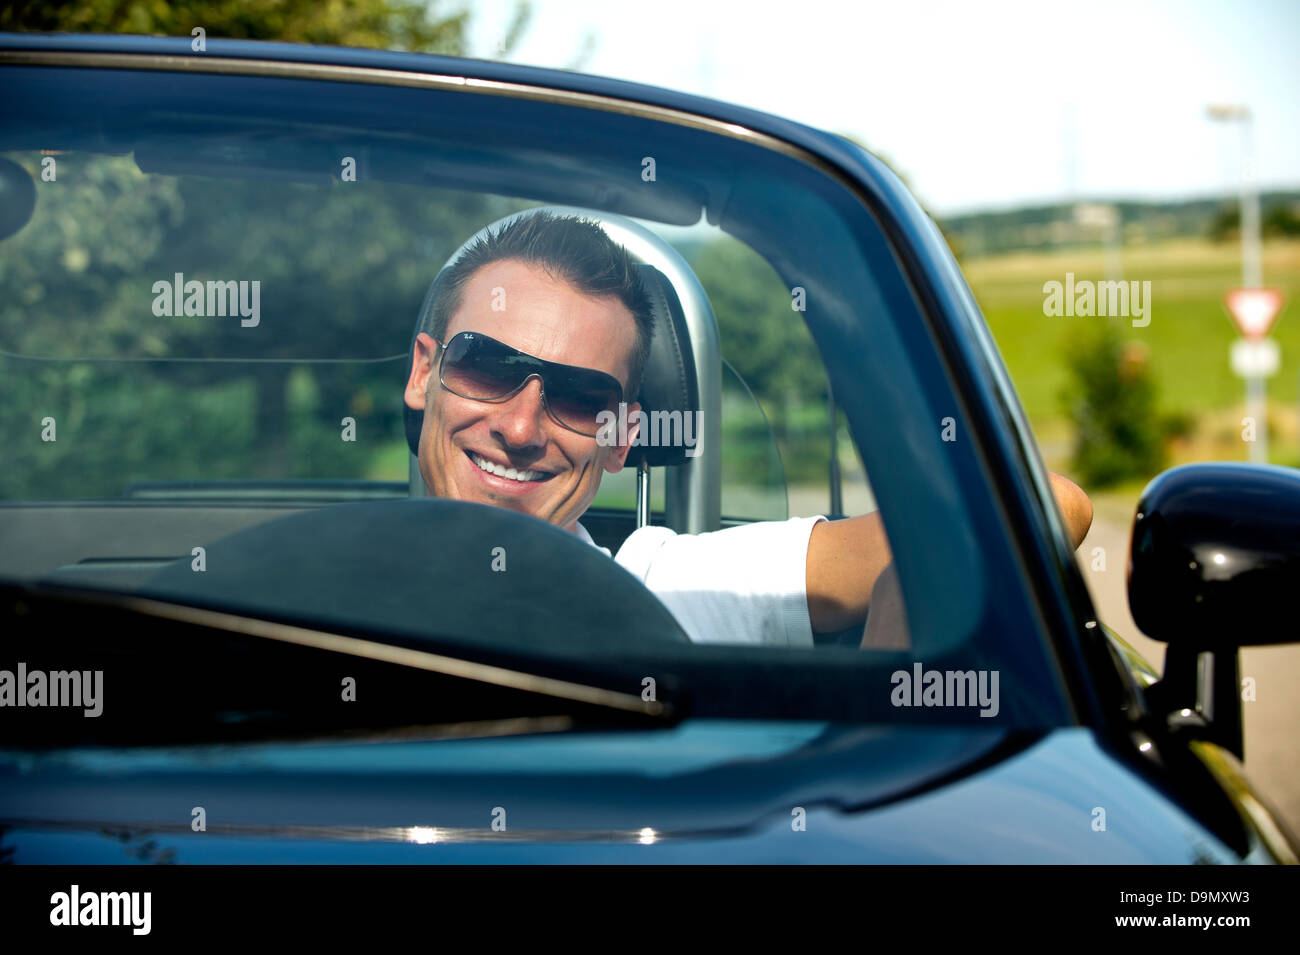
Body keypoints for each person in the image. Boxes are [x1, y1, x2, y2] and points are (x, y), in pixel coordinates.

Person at [402, 212, 1093, 647]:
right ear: (423, 373)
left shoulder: (671, 589)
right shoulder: (329, 579)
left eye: (581, 398)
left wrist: (886, 681)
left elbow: (1046, 505)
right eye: (487, 367)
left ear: (621, 437)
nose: (521, 426)